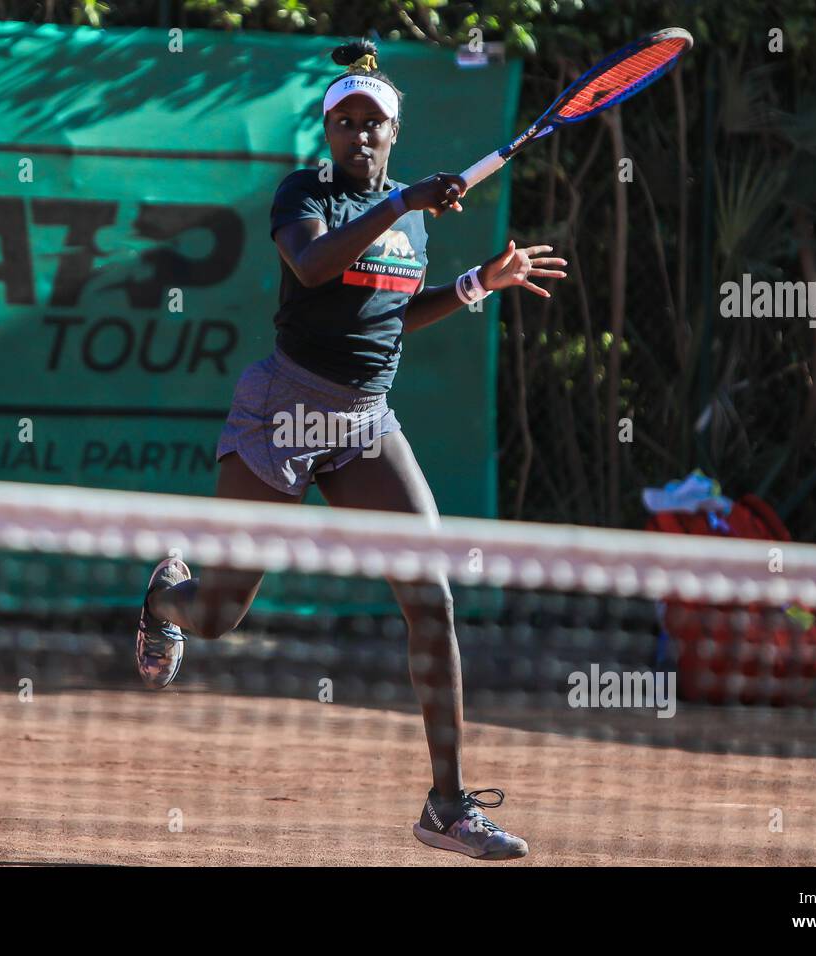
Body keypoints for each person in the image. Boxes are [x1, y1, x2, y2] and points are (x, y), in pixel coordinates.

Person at [135, 38, 566, 860]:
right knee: (221, 616)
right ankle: (164, 602)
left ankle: (446, 805)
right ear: (328, 133)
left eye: (375, 123)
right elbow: (314, 264)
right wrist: (400, 202)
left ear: (394, 133)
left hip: (366, 420)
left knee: (430, 597)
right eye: (346, 122)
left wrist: (479, 283)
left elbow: (385, 317)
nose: (360, 134)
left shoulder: (412, 225)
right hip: (282, 413)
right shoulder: (307, 196)